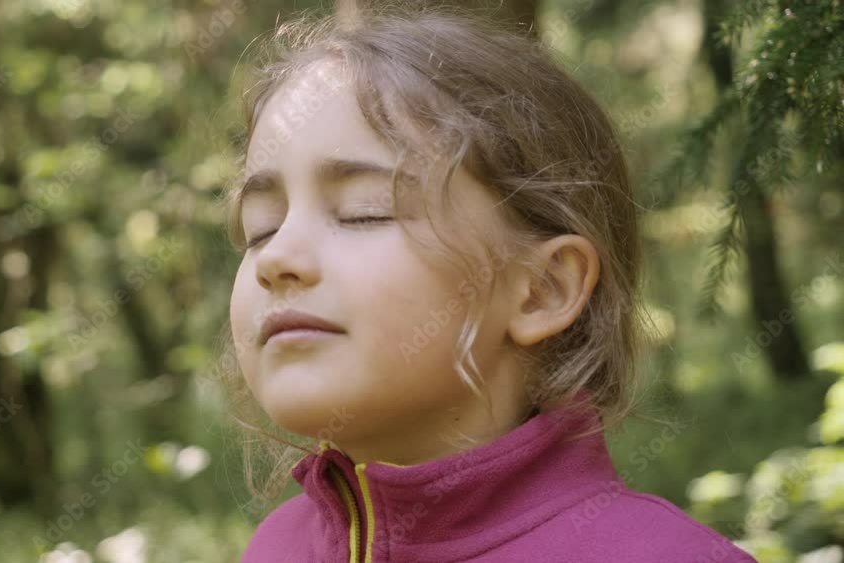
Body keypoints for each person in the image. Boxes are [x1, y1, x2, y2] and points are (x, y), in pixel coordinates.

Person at [215, 4, 758, 562]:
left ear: (542, 289)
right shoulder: (274, 548)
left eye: (363, 212)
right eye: (261, 228)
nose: (276, 256)